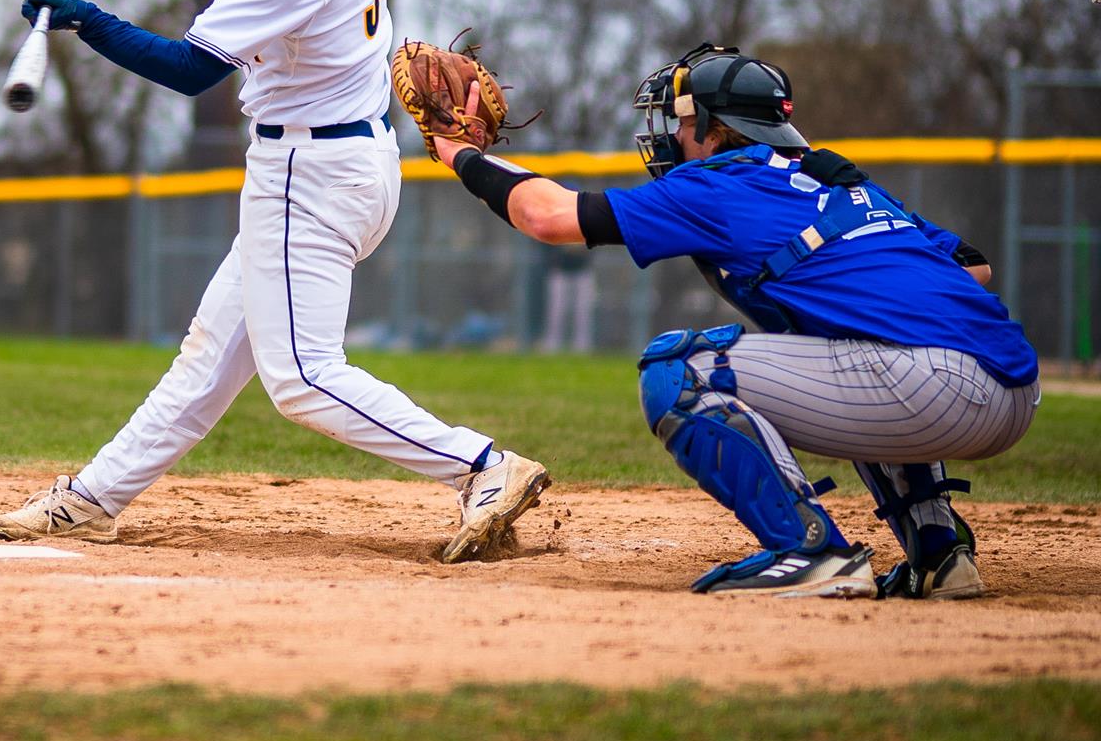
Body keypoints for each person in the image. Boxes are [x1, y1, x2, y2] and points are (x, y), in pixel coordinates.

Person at [0, 0, 551, 562]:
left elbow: (187, 70)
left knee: (303, 379)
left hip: (308, 174)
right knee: (209, 355)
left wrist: (87, 20)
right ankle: (93, 500)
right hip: (339, 158)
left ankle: (483, 465)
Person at [427, 42, 1038, 597]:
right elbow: (973, 269)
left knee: (678, 370)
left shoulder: (716, 183)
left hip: (930, 389)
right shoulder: (838, 181)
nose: (670, 134)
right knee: (856, 336)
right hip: (1013, 389)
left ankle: (809, 553)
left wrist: (464, 155)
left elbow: (550, 217)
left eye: (683, 121)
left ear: (718, 131)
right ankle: (941, 553)